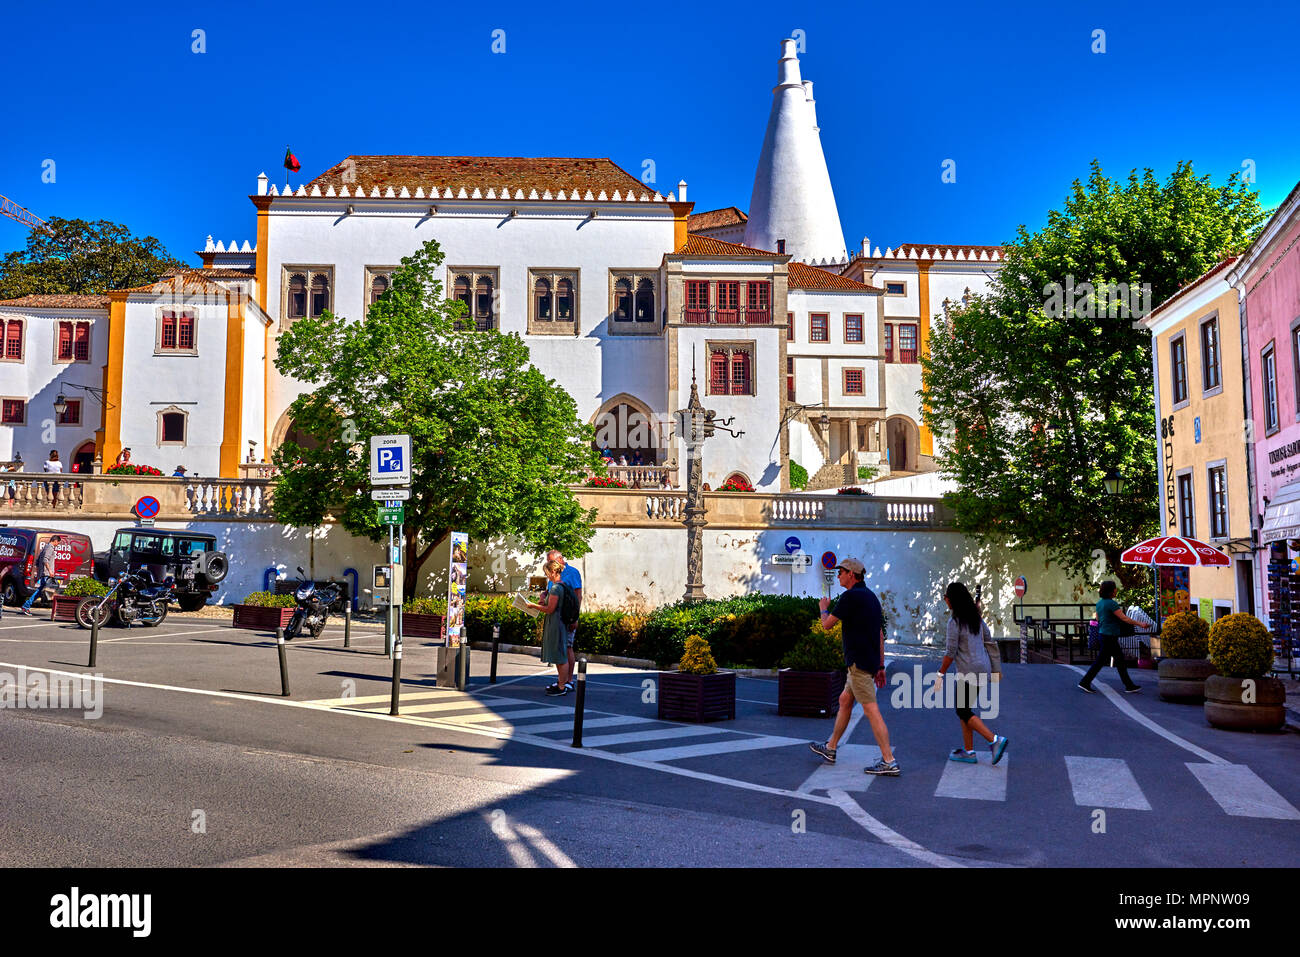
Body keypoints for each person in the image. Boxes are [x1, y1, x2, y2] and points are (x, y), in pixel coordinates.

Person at [809, 558, 899, 776]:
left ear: (852, 574)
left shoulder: (850, 597)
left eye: (841, 572)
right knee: (844, 700)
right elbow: (879, 634)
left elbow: (827, 625)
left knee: (871, 710)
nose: (838, 575)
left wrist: (823, 609)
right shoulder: (871, 597)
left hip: (858, 664)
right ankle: (831, 748)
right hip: (865, 662)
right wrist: (880, 665)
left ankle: (889, 761)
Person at [937, 582, 1007, 765]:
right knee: (964, 709)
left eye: (947, 597)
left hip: (968, 670)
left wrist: (940, 674)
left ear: (952, 600)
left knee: (962, 710)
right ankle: (969, 751)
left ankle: (994, 740)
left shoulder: (955, 622)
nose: (945, 600)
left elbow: (950, 652)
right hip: (983, 667)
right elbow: (989, 638)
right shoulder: (976, 618)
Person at [1079, 580, 1142, 694]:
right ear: (1110, 591)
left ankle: (1129, 685)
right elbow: (1124, 618)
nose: (1116, 590)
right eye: (1114, 588)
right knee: (1103, 661)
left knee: (1118, 660)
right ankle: (1085, 682)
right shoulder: (1112, 604)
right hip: (1110, 636)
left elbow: (1098, 619)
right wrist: (1140, 624)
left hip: (1104, 634)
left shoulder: (1100, 603)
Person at [525, 559, 571, 695]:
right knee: (559, 655)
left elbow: (550, 609)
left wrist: (532, 606)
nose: (547, 576)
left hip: (556, 624)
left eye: (547, 573)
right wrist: (544, 596)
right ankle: (561, 684)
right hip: (558, 623)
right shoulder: (562, 585)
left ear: (553, 572)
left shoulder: (556, 588)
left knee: (561, 657)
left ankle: (562, 687)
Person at [547, 549, 583, 691]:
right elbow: (551, 590)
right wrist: (544, 595)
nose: (550, 564)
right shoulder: (554, 573)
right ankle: (561, 680)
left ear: (560, 559)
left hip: (567, 618)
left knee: (567, 647)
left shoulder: (572, 573)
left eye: (552, 561)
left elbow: (578, 597)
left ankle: (568, 681)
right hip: (556, 619)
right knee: (559, 649)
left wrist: (575, 618)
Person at [20, 535, 62, 615]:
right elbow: (45, 560)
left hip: (43, 573)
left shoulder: (45, 547)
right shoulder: (50, 548)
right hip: (46, 574)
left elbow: (38, 561)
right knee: (42, 591)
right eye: (58, 543)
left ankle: (26, 606)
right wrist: (50, 571)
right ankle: (26, 606)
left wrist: (40, 572)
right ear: (55, 541)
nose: (57, 545)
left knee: (41, 591)